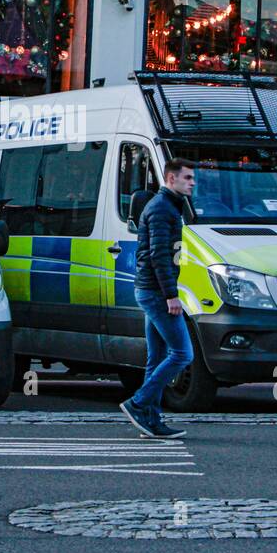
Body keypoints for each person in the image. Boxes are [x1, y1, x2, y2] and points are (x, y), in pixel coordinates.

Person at [120, 157, 196, 439]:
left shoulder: (166, 207)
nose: (192, 182)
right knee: (182, 353)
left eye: (192, 178)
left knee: (157, 357)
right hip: (156, 292)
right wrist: (171, 296)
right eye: (187, 177)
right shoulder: (163, 209)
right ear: (171, 178)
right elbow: (159, 256)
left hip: (150, 290)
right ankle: (138, 403)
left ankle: (149, 420)